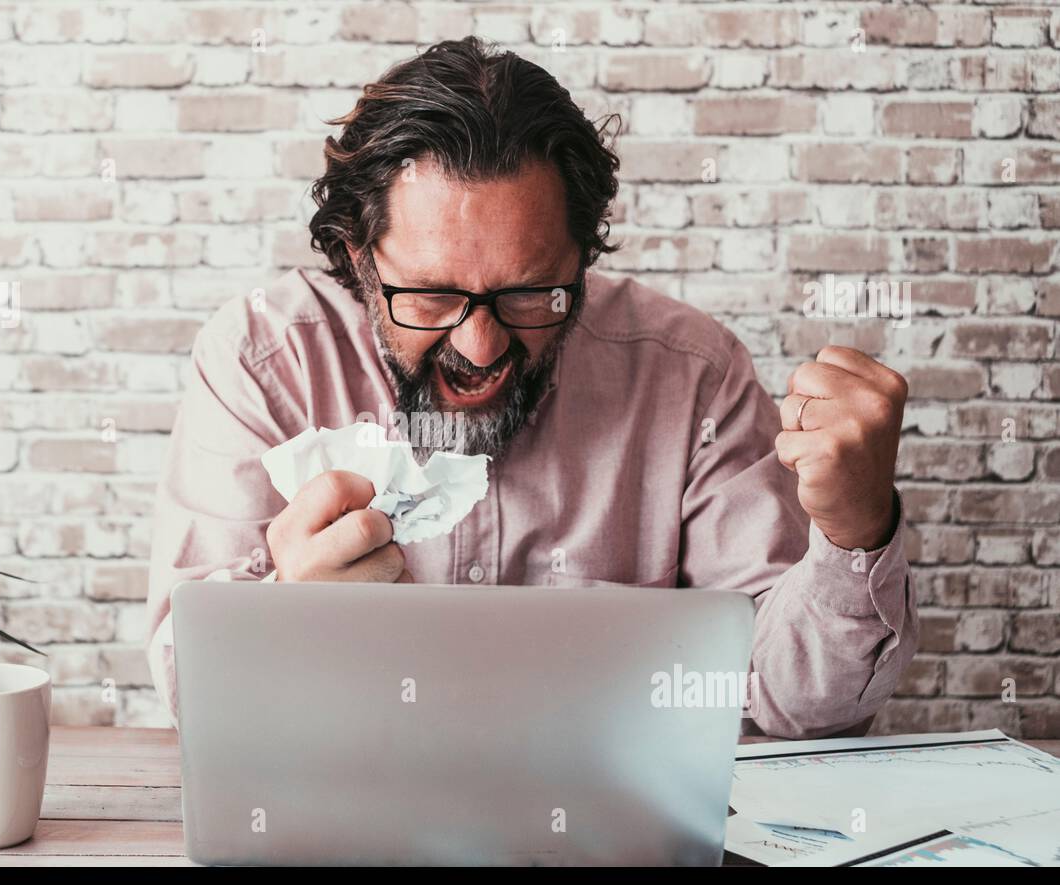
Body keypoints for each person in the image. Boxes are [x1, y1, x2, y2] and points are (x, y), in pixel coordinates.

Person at [145, 37, 917, 739]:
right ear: (358, 258)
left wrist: (856, 531)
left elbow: (793, 702)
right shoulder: (263, 360)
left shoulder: (691, 376)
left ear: (583, 257)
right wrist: (282, 618)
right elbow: (189, 687)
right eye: (431, 296)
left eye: (529, 293)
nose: (480, 347)